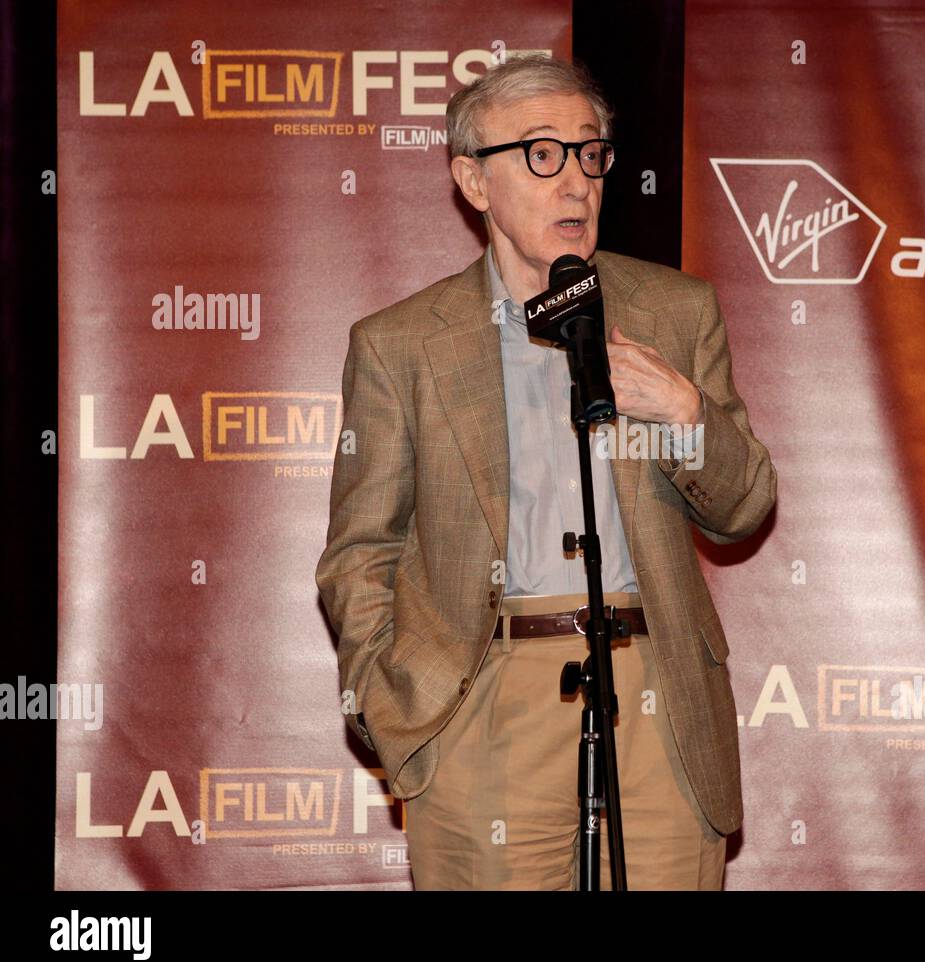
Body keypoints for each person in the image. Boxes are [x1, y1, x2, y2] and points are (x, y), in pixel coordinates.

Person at [315, 54, 777, 890]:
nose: (575, 183)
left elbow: (744, 509)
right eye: (541, 154)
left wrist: (685, 413)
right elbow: (360, 550)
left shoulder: (676, 312)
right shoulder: (400, 344)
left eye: (590, 153)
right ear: (472, 179)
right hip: (482, 701)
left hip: (656, 693)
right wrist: (395, 702)